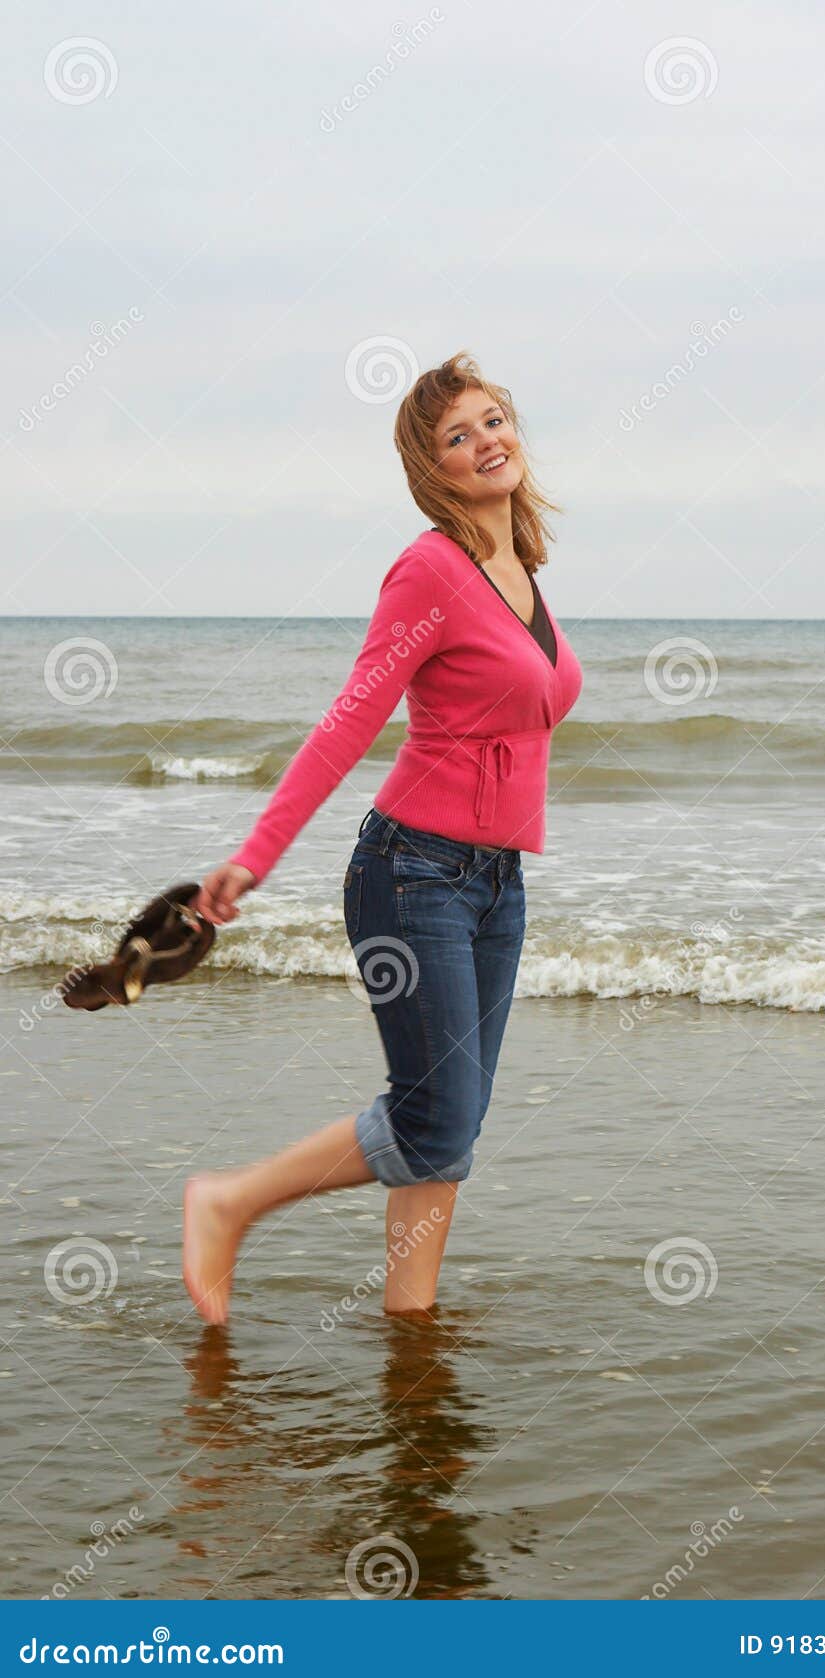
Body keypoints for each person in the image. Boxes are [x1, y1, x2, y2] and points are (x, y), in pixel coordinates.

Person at [183, 351, 583, 1324]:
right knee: (434, 1111)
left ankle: (410, 1320)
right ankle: (227, 1202)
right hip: (411, 875)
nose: (485, 440)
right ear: (432, 467)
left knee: (454, 1127)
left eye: (493, 420)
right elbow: (350, 720)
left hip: (494, 883)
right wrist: (254, 857)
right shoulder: (429, 569)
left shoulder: (515, 566)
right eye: (459, 435)